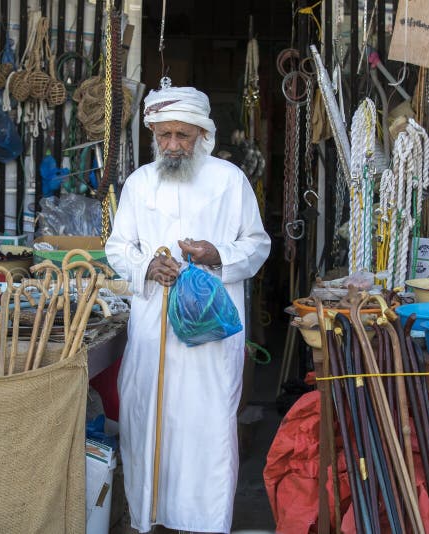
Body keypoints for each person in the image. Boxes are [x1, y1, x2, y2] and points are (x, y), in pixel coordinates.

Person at [105, 84, 271, 534]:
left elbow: (257, 245)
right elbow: (118, 248)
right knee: (148, 420)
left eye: (182, 135)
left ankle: (205, 522)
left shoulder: (228, 181)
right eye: (164, 136)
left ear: (202, 134)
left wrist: (216, 255)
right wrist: (147, 265)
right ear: (153, 135)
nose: (172, 146)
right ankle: (150, 517)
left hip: (210, 331)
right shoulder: (139, 183)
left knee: (208, 424)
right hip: (152, 325)